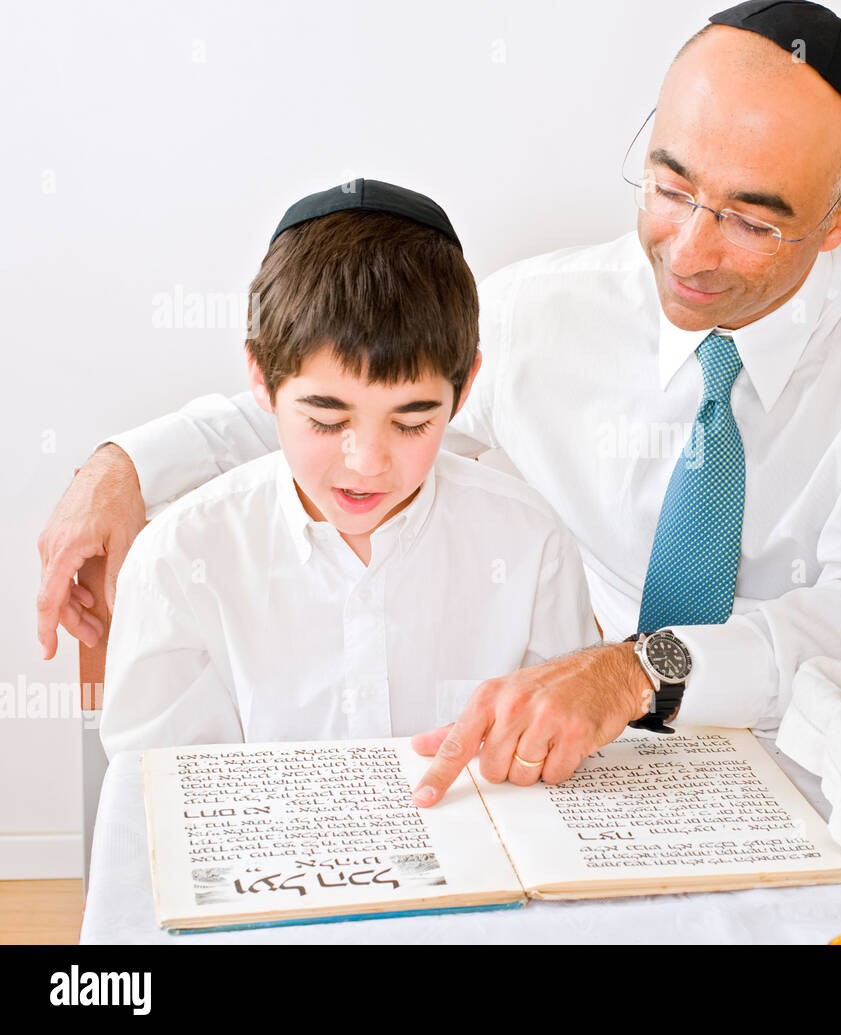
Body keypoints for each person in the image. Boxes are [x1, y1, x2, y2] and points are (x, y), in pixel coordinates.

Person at [40, 0, 841, 804]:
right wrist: (126, 465)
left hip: (830, 769)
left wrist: (643, 666)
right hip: (594, 778)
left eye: (750, 220)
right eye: (671, 186)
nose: (688, 252)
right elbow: (354, 396)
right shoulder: (540, 313)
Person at [97, 181, 600, 760]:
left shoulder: (531, 545)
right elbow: (155, 813)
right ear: (261, 377)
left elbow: (560, 774)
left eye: (411, 422)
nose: (366, 463)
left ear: (463, 392)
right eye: (327, 420)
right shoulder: (180, 561)